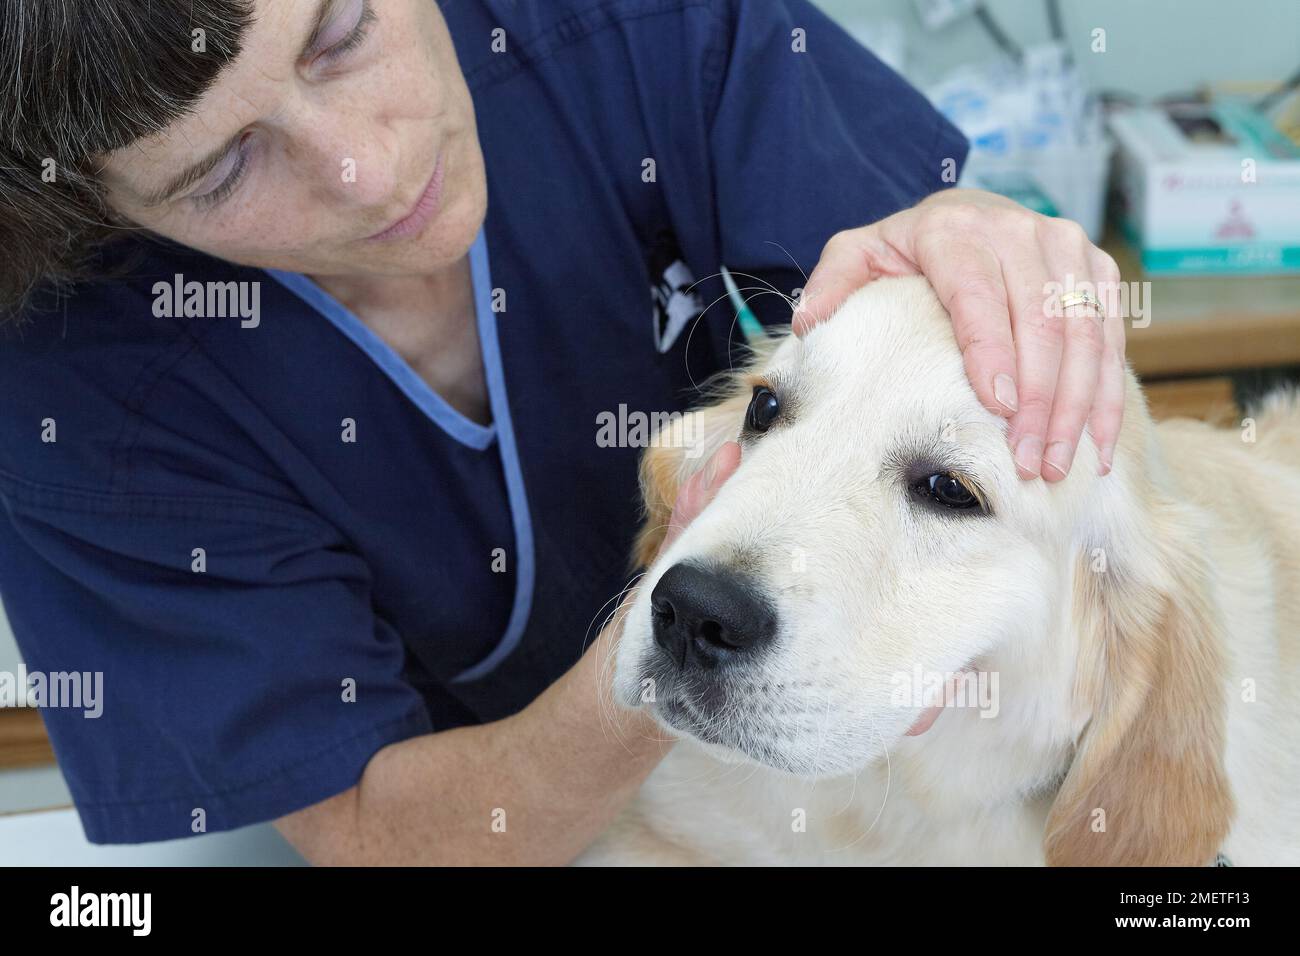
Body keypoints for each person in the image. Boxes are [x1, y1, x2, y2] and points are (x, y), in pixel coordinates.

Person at [0, 0, 1124, 863]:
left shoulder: (636, 28)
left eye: (339, 33)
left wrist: (975, 238)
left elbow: (918, 278)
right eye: (221, 168)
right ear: (91, 211)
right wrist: (665, 651)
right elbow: (367, 823)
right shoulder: (86, 398)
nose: (369, 168)